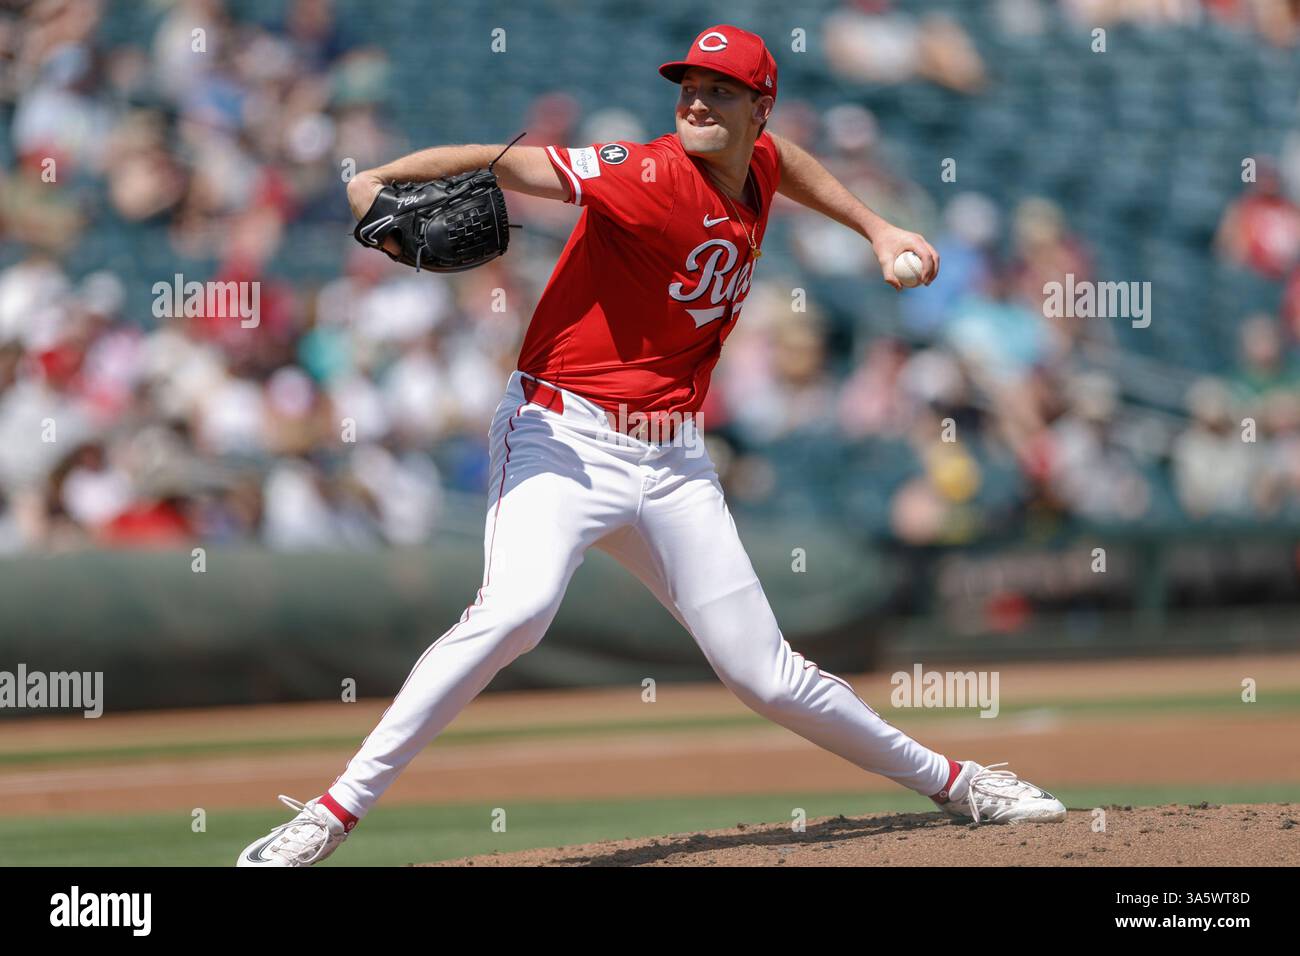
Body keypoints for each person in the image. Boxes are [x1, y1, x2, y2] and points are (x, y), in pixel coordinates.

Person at [237, 24, 1065, 867]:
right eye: (689, 87)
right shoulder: (648, 176)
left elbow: (786, 167)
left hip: (672, 461)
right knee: (516, 612)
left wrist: (878, 228)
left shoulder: (760, 163)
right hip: (562, 437)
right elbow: (507, 160)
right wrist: (374, 179)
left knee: (765, 674)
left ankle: (960, 783)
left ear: (759, 108)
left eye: (721, 91)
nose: (697, 101)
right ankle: (331, 814)